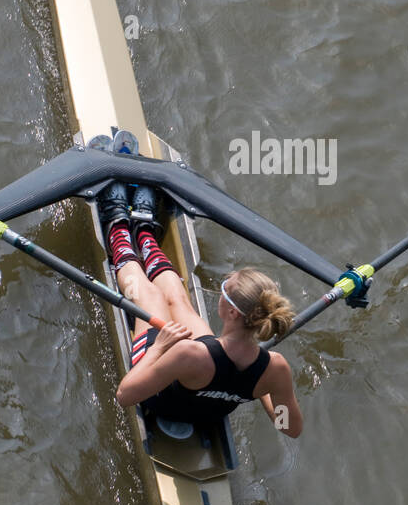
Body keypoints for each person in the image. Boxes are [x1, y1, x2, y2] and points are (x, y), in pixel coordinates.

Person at [92, 133, 303, 438]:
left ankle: (117, 223)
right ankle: (144, 230)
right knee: (178, 297)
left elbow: (124, 395)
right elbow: (290, 429)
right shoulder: (277, 368)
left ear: (231, 313)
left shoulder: (188, 354)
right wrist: (262, 388)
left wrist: (160, 348)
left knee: (148, 296)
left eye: (224, 291)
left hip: (162, 396)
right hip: (208, 384)